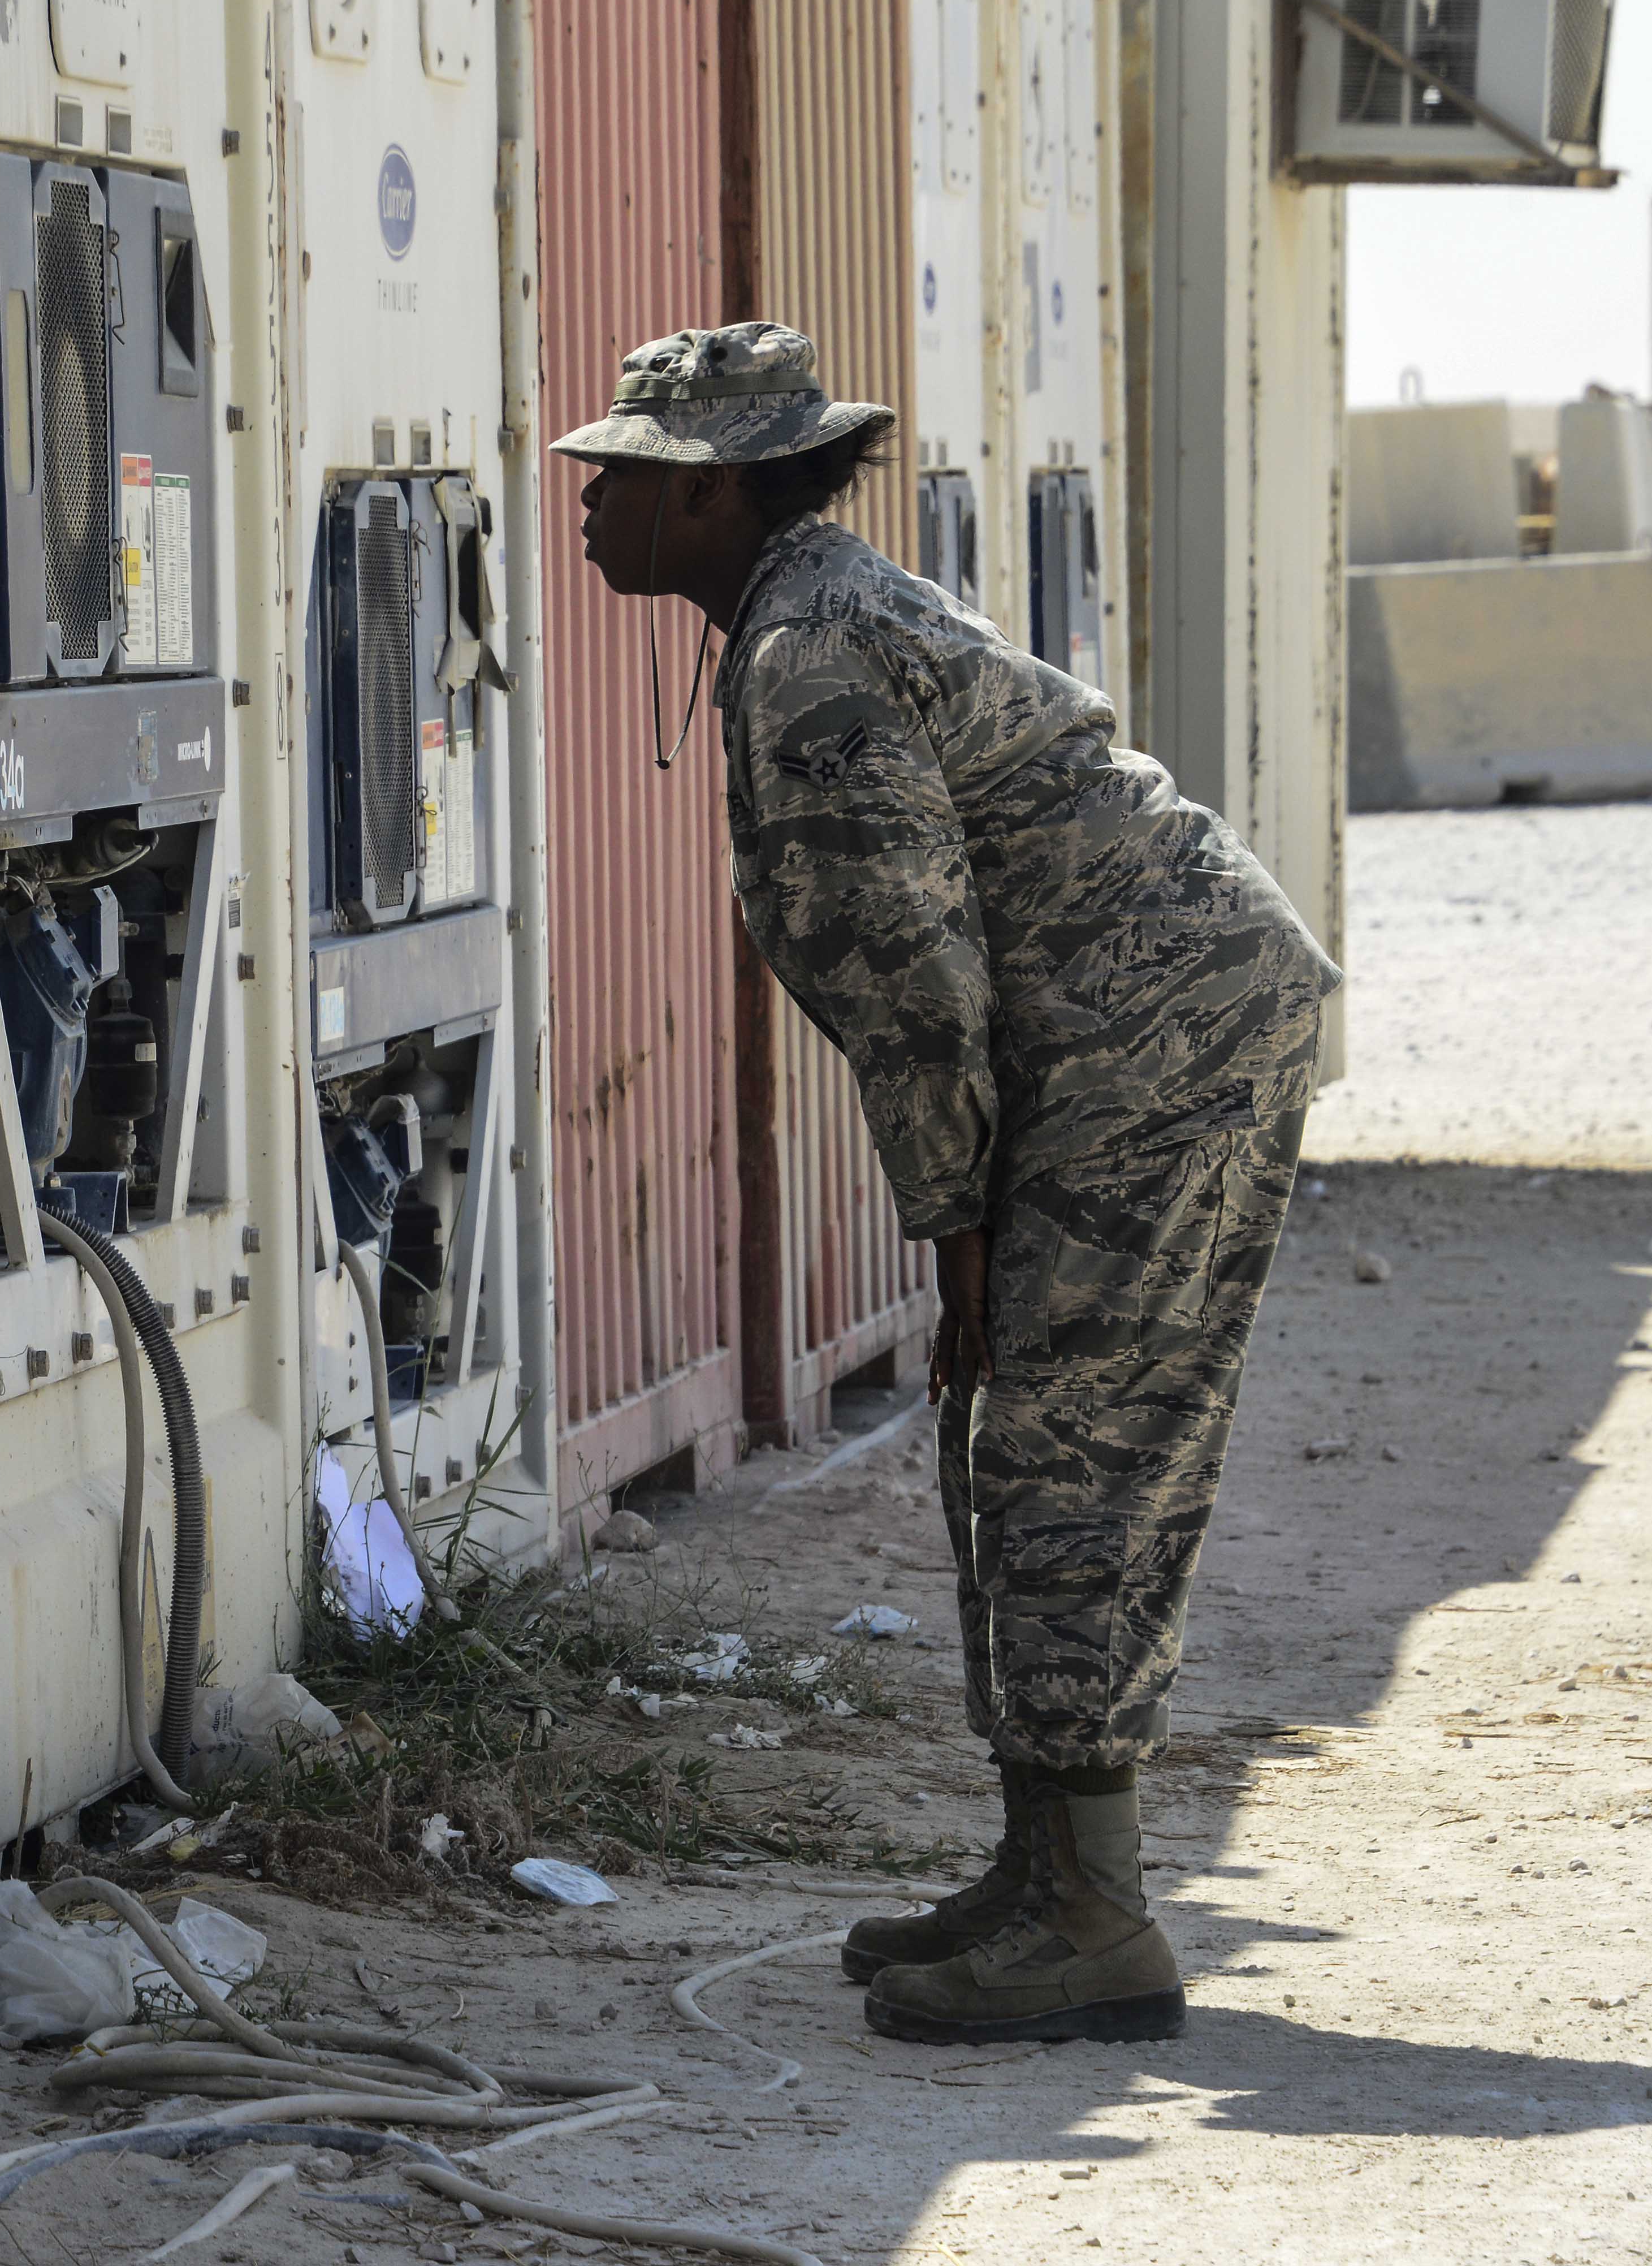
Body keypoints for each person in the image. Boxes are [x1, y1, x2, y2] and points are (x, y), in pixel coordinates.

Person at [552, 322, 1341, 2046]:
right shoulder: (800, 609)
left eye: (638, 475)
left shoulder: (815, 652)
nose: (596, 499)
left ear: (734, 493)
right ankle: (1044, 1868)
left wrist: (955, 1218)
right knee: (1032, 1432)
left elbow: (916, 974)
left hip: (1159, 1049)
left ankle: (1099, 1921)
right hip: (1128, 1038)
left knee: (1070, 1443)